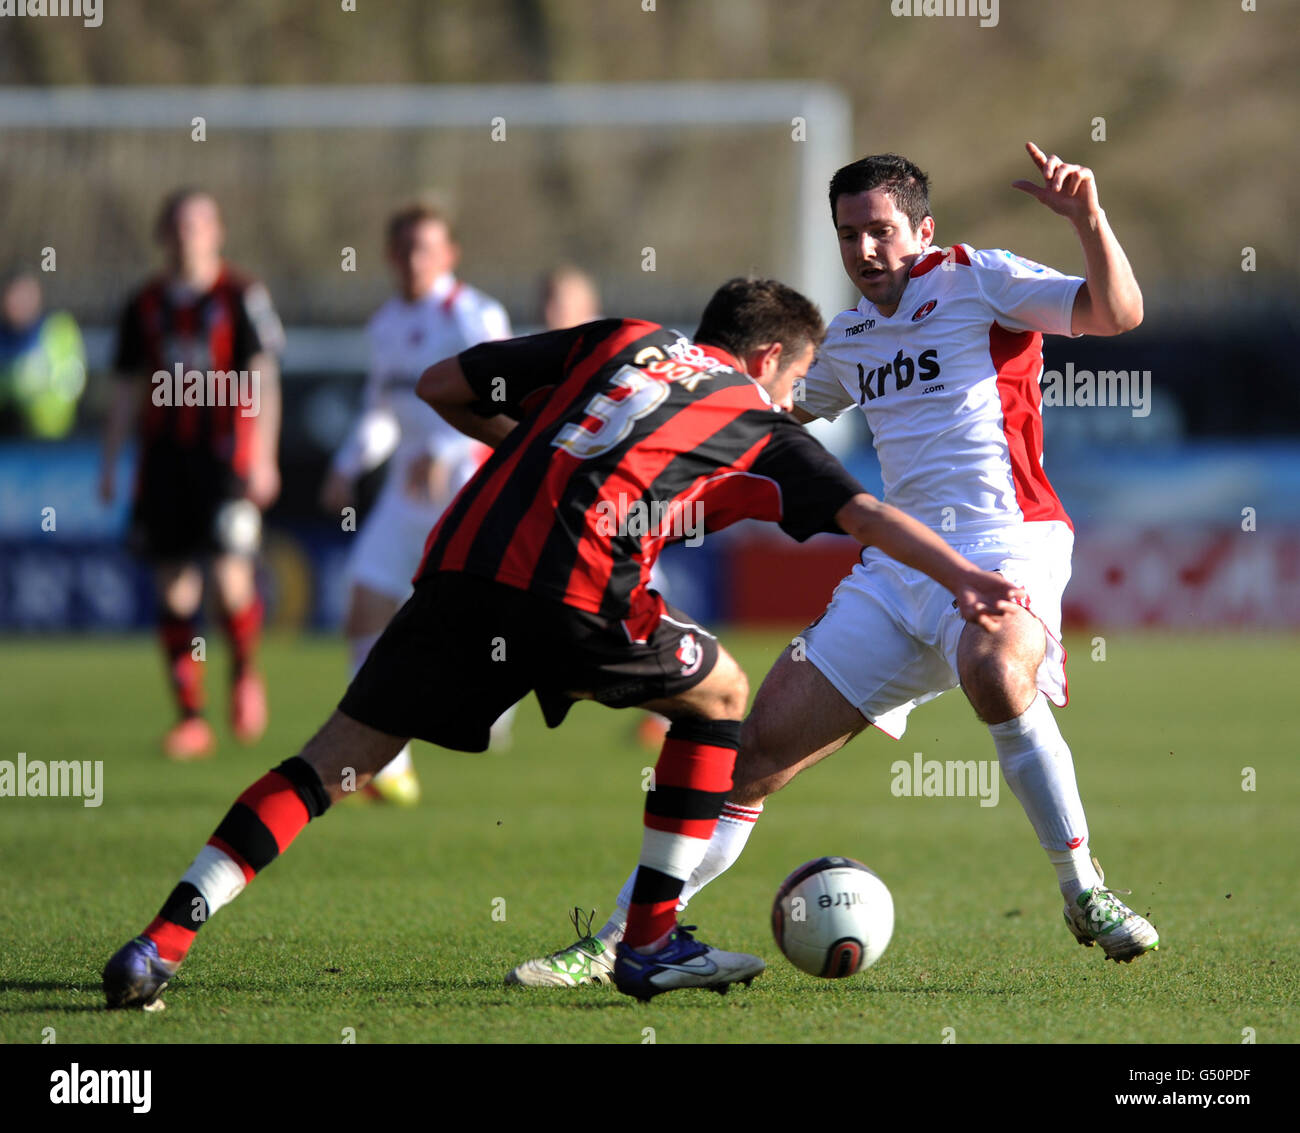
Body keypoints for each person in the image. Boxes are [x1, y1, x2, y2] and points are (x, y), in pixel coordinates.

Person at [102, 276, 1023, 1009]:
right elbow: (865, 510)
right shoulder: (750, 413)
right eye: (795, 381)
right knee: (724, 695)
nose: (795, 401)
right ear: (770, 356)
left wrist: (537, 451)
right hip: (578, 591)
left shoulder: (619, 337)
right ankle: (651, 942)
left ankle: (159, 944)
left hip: (462, 568)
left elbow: (441, 386)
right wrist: (968, 579)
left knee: (334, 763)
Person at [509, 144, 1159, 989]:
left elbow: (1118, 314)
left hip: (1006, 545)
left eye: (882, 230)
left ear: (922, 230)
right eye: (849, 234)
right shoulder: (843, 339)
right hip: (897, 574)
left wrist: (1089, 221)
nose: (865, 250)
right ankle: (623, 938)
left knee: (998, 667)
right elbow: (752, 424)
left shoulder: (980, 278)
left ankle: (1084, 891)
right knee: (749, 758)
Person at [319, 202, 512, 804]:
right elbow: (381, 412)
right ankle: (384, 761)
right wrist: (347, 466)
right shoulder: (384, 324)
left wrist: (449, 452)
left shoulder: (474, 316)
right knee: (365, 607)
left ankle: (494, 702)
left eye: (425, 247)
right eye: (403, 248)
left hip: (465, 486)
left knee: (466, 619)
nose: (412, 260)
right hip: (405, 489)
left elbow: (507, 401)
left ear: (449, 254)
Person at [100, 189, 284, 761]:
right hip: (162, 465)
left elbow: (262, 378)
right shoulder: (144, 305)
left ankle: (245, 674)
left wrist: (264, 457)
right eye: (179, 224)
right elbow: (128, 388)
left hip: (225, 463)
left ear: (218, 232)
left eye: (199, 223)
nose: (188, 235)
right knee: (175, 590)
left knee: (231, 583)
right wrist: (110, 463)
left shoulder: (241, 295)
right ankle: (191, 719)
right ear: (164, 234)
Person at [0, 268, 87, 439]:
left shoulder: (58, 331)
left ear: (38, 295)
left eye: (26, 294)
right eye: (14, 295)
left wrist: (28, 386)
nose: (20, 303)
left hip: (51, 443)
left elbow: (72, 386)